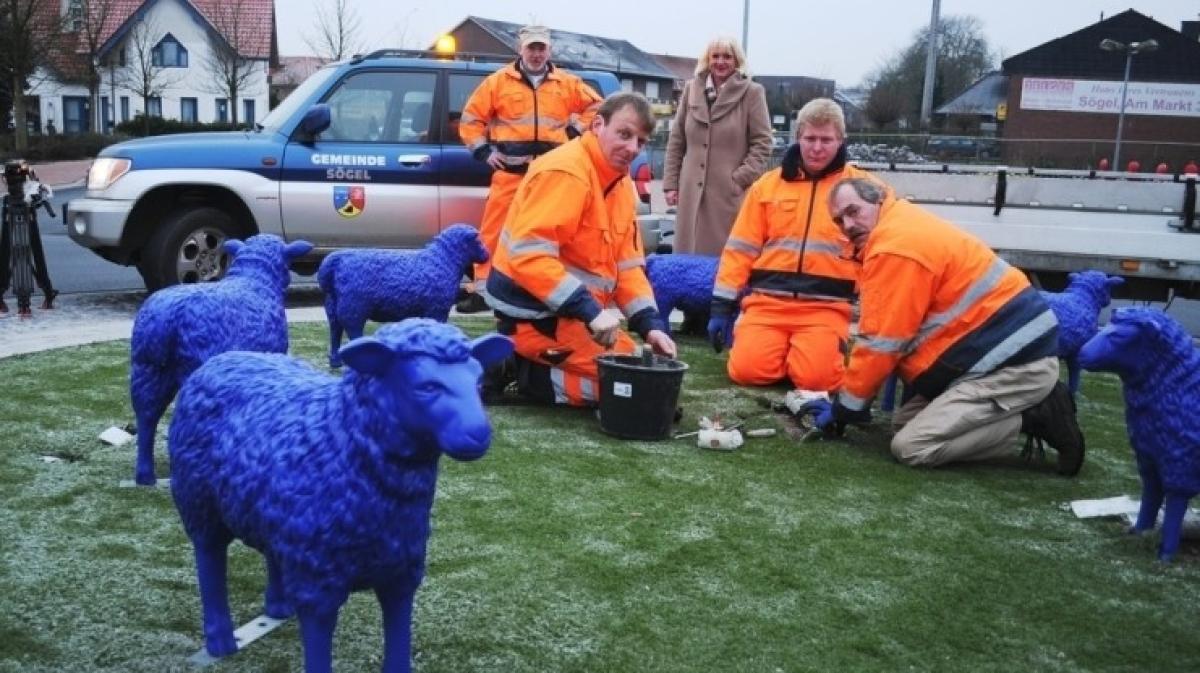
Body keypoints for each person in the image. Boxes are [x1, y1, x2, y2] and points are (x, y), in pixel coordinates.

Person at [815, 176, 1085, 475]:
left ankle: (1036, 416)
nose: (848, 225)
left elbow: (882, 342)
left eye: (853, 211)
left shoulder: (894, 247)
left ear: (878, 201)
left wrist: (846, 409)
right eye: (839, 220)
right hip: (993, 357)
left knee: (912, 447)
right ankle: (1023, 408)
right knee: (904, 424)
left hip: (1015, 363)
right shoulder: (899, 225)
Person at [485, 92, 676, 406]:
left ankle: (526, 364)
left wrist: (650, 326)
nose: (632, 149)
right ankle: (520, 367)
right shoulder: (567, 172)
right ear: (598, 125)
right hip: (534, 317)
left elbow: (627, 267)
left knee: (646, 379)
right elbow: (529, 256)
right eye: (624, 135)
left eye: (640, 142)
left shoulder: (620, 185)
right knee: (632, 391)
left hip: (574, 318)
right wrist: (591, 312)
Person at [706, 98, 873, 393]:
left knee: (818, 382)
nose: (817, 148)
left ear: (841, 141)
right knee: (746, 371)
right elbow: (740, 249)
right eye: (810, 138)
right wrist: (721, 307)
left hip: (826, 309)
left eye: (826, 140)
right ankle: (786, 354)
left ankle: (806, 356)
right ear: (798, 138)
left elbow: (879, 252)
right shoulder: (766, 186)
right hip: (767, 305)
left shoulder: (864, 190)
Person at [457, 24, 603, 313]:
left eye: (541, 48)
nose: (536, 54)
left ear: (549, 50)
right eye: (531, 48)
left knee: (551, 234)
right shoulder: (498, 82)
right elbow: (471, 119)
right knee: (492, 234)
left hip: (551, 177)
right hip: (510, 175)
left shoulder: (567, 83)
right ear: (520, 49)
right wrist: (484, 151)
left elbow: (598, 108)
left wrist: (576, 132)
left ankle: (548, 290)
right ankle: (483, 292)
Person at [662, 37, 772, 332]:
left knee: (723, 257)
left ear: (737, 61)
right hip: (689, 192)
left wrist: (739, 179)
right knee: (687, 254)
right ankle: (690, 314)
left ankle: (721, 316)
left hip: (727, 193)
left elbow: (763, 143)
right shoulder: (691, 89)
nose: (721, 62)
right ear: (707, 60)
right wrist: (671, 183)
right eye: (715, 56)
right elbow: (677, 141)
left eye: (727, 56)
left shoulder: (752, 92)